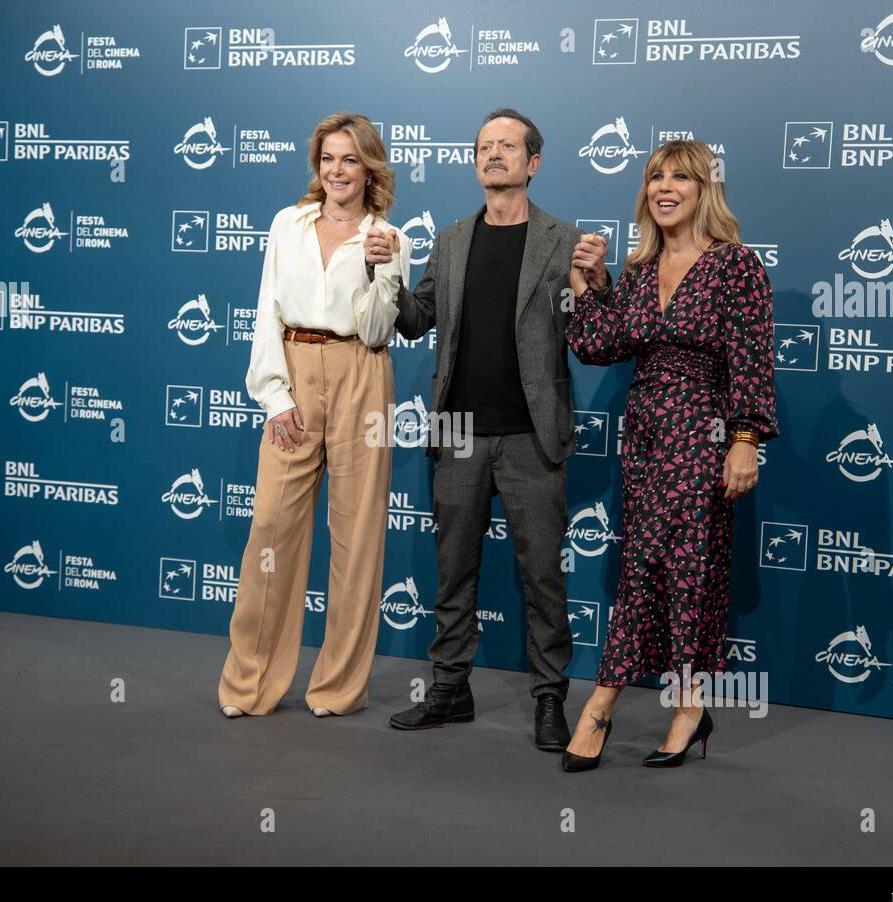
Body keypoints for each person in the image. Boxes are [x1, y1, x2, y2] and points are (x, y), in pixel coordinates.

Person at [367, 108, 610, 751]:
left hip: (533, 433)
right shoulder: (450, 240)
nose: (493, 154)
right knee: (453, 573)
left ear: (534, 162)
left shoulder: (565, 240)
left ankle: (551, 699)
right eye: (484, 146)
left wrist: (599, 283)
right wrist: (384, 271)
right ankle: (450, 690)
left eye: (507, 146)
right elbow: (415, 320)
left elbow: (595, 335)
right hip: (457, 431)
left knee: (543, 578)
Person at [560, 139, 777, 771]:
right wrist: (587, 287)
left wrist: (744, 440)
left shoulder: (735, 265)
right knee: (647, 566)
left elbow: (751, 359)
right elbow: (600, 346)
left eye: (680, 176)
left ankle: (609, 706)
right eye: (656, 176)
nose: (664, 187)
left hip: (703, 432)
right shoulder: (638, 269)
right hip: (645, 435)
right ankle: (684, 705)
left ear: (705, 189)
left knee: (688, 569)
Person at [218, 113, 411, 717]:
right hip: (295, 369)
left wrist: (381, 269)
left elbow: (379, 330)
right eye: (328, 159)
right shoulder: (288, 223)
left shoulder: (389, 237)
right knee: (271, 530)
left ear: (370, 169)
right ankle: (249, 684)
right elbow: (266, 311)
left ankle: (338, 687)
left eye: (350, 159)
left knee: (357, 537)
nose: (337, 171)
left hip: (362, 372)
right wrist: (275, 396)